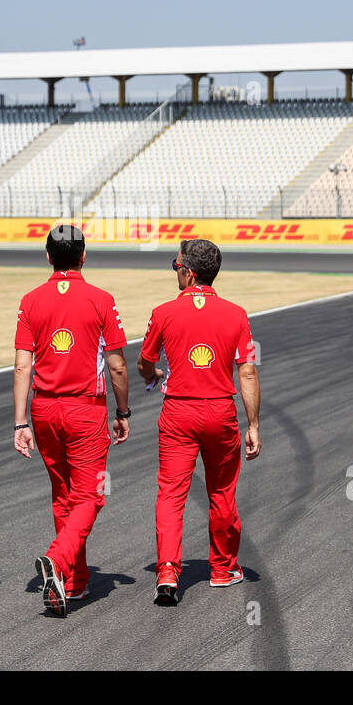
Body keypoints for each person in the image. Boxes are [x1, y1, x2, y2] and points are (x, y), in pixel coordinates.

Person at [13, 225, 130, 615]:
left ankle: (74, 582)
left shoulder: (30, 301)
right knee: (92, 495)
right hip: (85, 409)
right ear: (83, 256)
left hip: (44, 410)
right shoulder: (100, 299)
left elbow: (21, 367)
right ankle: (59, 560)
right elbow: (116, 365)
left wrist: (19, 422)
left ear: (48, 257)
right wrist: (123, 410)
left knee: (64, 495)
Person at [137, 238, 260, 606]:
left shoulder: (163, 312)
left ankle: (167, 572)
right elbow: (248, 372)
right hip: (220, 412)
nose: (174, 272)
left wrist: (152, 373)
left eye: (175, 267)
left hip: (178, 412)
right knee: (222, 492)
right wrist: (253, 423)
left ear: (189, 273)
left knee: (171, 494)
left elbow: (144, 361)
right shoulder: (236, 313)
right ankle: (223, 569)